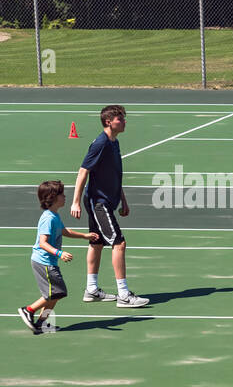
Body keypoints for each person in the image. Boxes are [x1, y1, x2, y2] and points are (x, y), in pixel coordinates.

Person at [69, 104, 149, 307]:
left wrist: (123, 199)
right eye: (120, 118)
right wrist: (75, 201)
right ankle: (123, 295)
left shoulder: (114, 142)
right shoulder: (101, 143)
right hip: (99, 202)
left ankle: (92, 290)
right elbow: (82, 172)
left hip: (109, 200)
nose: (124, 121)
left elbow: (114, 174)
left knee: (96, 242)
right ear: (108, 122)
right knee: (119, 243)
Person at [18, 180, 100, 334]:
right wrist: (60, 253)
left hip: (49, 262)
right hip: (43, 262)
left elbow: (64, 231)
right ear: (52, 197)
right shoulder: (48, 218)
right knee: (55, 293)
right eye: (61, 194)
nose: (64, 196)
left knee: (56, 294)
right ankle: (28, 310)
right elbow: (42, 243)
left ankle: (42, 323)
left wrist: (84, 236)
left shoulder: (54, 215)